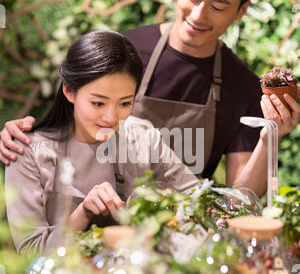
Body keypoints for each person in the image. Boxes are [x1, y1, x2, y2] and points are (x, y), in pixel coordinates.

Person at [1, 0, 299, 197]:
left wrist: (270, 139)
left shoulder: (242, 86)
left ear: (241, 10)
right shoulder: (122, 53)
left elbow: (242, 196)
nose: (198, 15)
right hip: (97, 224)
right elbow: (61, 132)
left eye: (218, 7)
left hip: (184, 236)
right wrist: (24, 134)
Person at [5, 30, 199, 253]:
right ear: (69, 90)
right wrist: (83, 213)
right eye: (98, 103)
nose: (111, 118)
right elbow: (30, 254)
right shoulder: (27, 152)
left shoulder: (143, 136)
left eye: (125, 103)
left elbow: (197, 198)